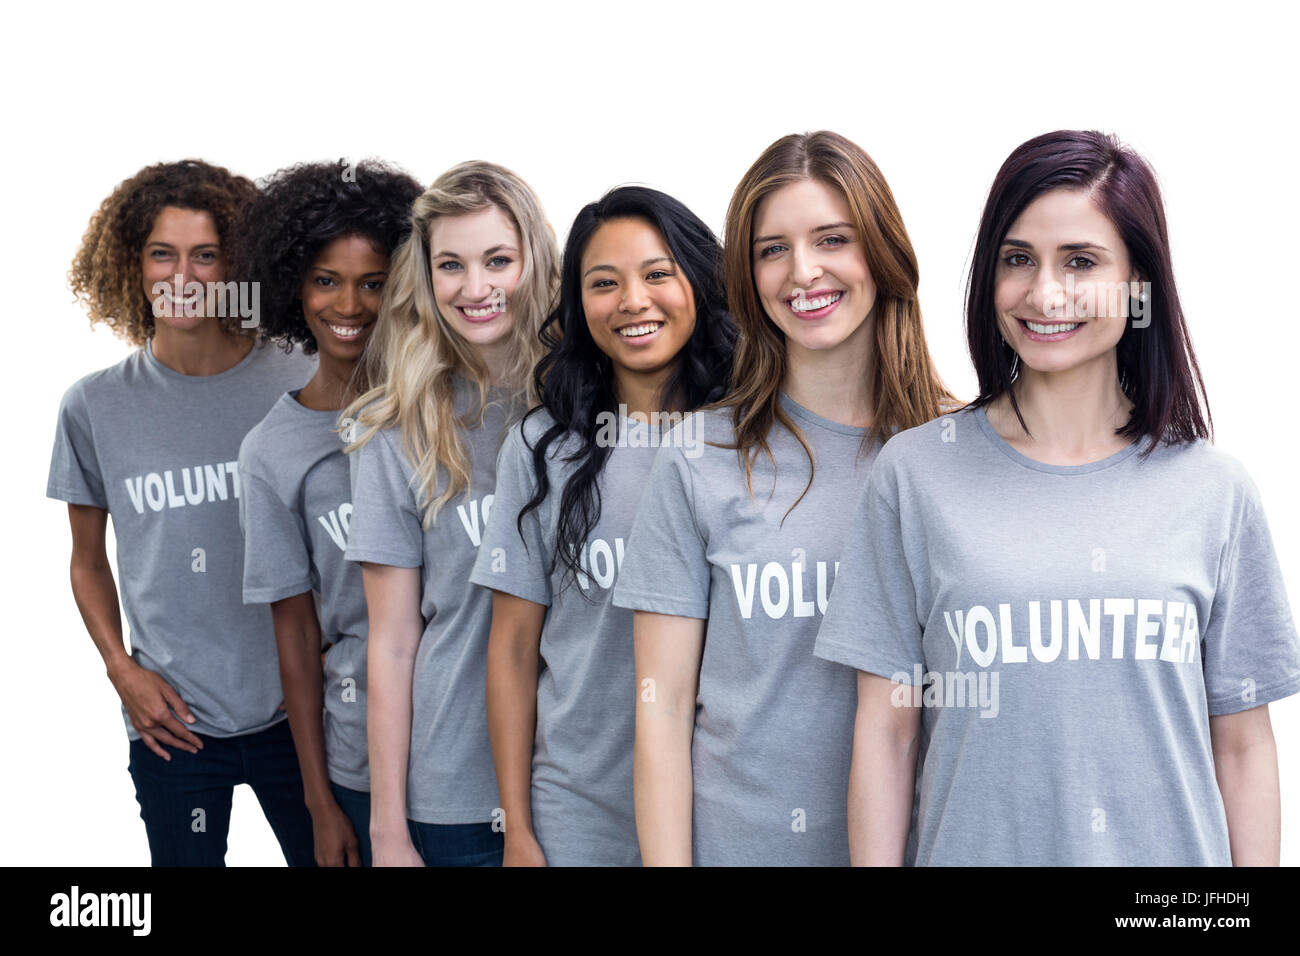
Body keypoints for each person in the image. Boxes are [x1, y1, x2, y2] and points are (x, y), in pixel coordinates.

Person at [814, 129, 1300, 866]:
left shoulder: (1215, 491)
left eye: (1081, 262)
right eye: (1018, 260)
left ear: (1139, 283)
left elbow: (1241, 747)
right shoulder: (916, 476)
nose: (1045, 293)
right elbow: (887, 732)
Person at [612, 132, 954, 865]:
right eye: (772, 249)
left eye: (833, 238)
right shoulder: (700, 458)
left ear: (883, 253)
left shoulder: (961, 449)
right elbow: (662, 709)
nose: (803, 272)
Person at [48, 159, 318, 865]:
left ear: (238, 267)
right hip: (174, 721)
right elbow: (85, 560)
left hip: (307, 712)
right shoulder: (95, 405)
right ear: (131, 265)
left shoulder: (303, 375)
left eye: (206, 256)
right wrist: (120, 669)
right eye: (162, 254)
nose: (183, 276)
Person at [472, 186, 736, 866]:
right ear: (577, 305)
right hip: (580, 821)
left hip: (720, 818)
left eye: (657, 274)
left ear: (701, 284)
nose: (632, 301)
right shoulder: (542, 447)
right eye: (603, 283)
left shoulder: (752, 442)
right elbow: (511, 650)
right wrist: (520, 830)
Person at [342, 160, 560, 866]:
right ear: (425, 278)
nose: (475, 289)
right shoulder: (391, 432)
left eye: (498, 260)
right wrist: (388, 829)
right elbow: (394, 643)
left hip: (580, 782)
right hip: (456, 793)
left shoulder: (586, 408)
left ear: (536, 260)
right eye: (451, 265)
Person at [235, 159, 422, 867]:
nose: (350, 304)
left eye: (374, 281)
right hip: (360, 759)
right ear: (293, 287)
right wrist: (318, 803)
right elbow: (296, 638)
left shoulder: (442, 413)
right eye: (326, 280)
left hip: (474, 745)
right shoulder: (272, 452)